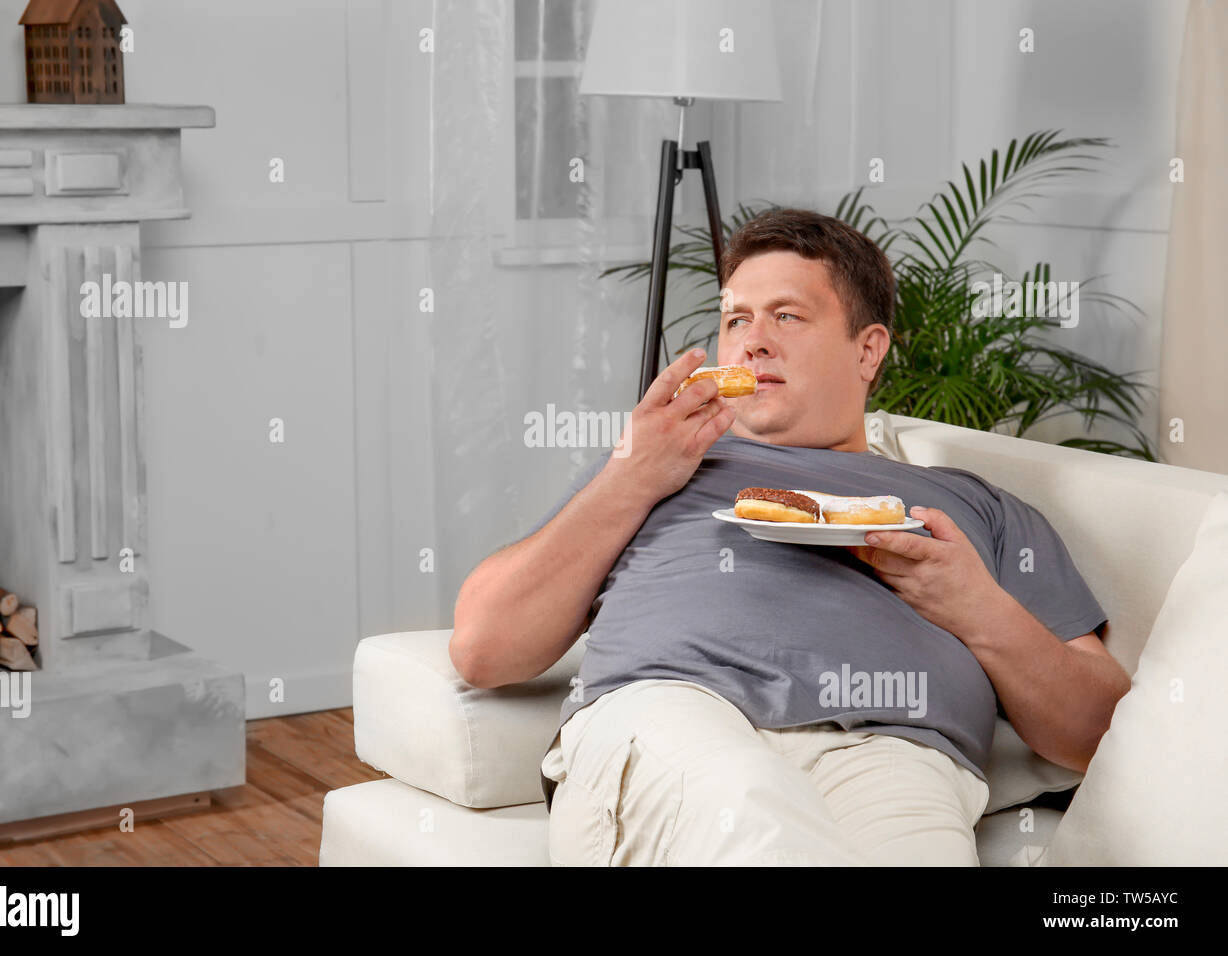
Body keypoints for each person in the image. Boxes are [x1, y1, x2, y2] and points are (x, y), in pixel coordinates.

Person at [449, 208, 1131, 866]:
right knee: (748, 813)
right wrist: (630, 478)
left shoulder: (980, 508)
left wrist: (979, 609)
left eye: (787, 316)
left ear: (868, 350)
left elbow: (1100, 732)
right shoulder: (660, 463)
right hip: (676, 711)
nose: (752, 340)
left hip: (896, 753)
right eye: (735, 319)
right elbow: (483, 648)